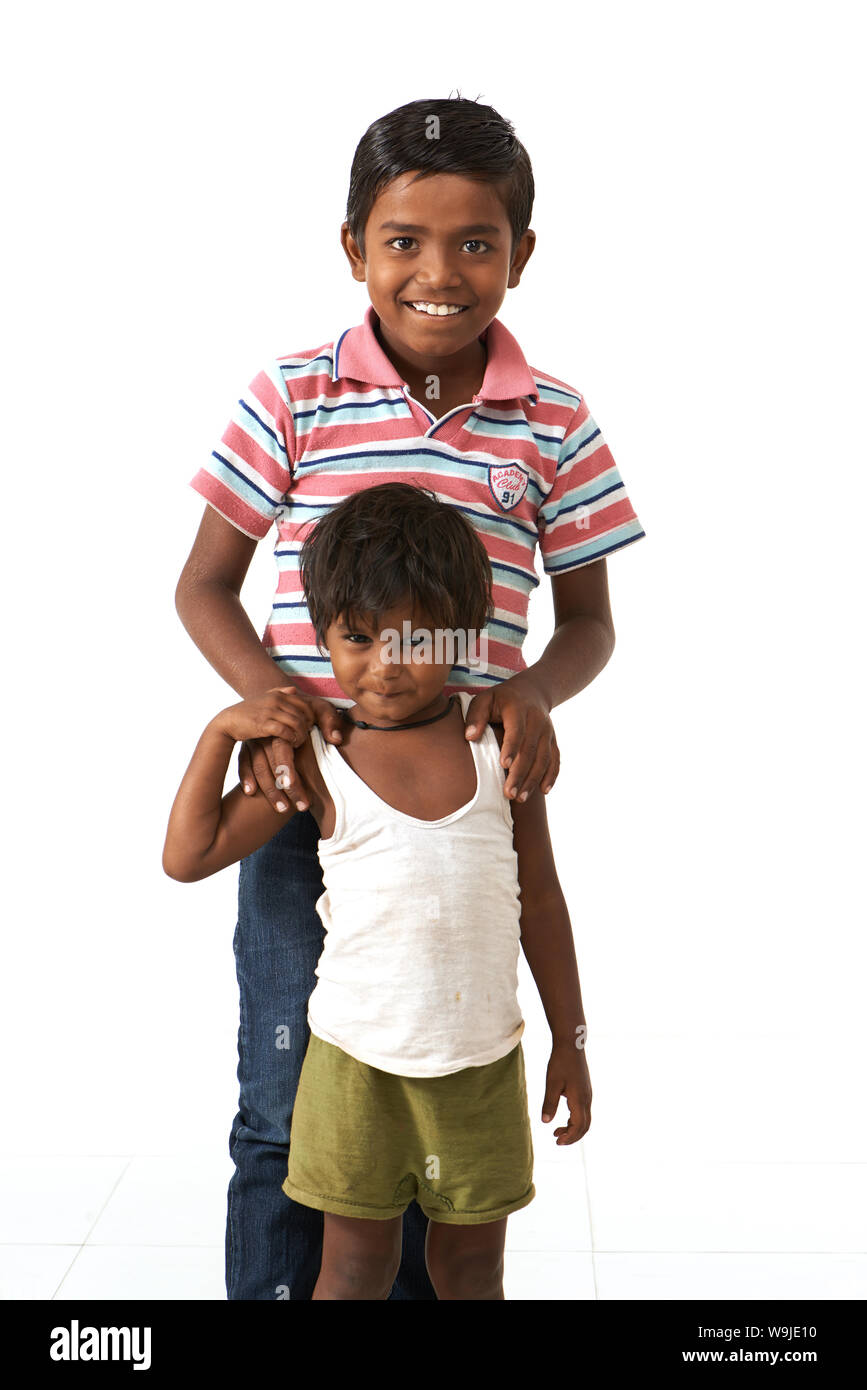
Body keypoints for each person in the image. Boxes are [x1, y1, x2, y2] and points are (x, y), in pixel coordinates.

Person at [174, 94, 646, 1300]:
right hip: (307, 802)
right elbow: (206, 589)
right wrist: (278, 711)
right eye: (403, 241)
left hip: (462, 802)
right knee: (289, 1116)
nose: (439, 272)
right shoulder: (292, 394)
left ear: (520, 256)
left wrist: (529, 693)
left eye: (476, 242)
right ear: (354, 249)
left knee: (442, 1127)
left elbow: (588, 622)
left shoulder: (555, 423)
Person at [164, 483, 592, 1301]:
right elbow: (190, 856)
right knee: (353, 1269)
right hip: (353, 1070)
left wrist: (569, 1042)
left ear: (463, 633)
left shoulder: (494, 746)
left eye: (415, 638)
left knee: (471, 1271)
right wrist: (223, 730)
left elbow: (541, 904)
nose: (386, 664)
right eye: (358, 637)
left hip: (480, 1067)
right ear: (322, 633)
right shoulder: (319, 757)